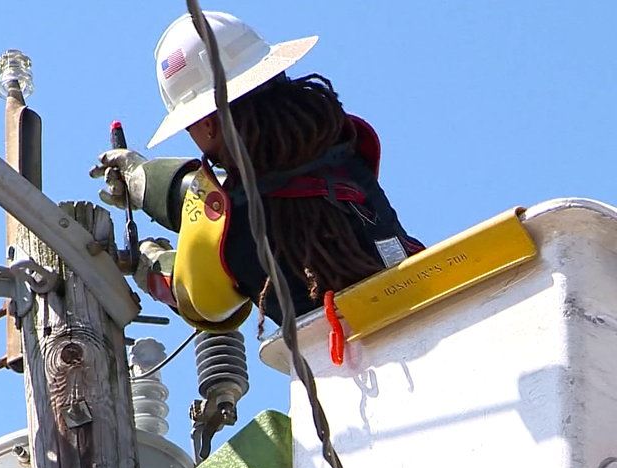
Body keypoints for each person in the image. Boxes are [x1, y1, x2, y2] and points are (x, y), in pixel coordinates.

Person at [92, 11, 425, 337]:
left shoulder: (234, 225)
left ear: (207, 124)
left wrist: (151, 263)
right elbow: (253, 191)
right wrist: (142, 177)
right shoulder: (340, 143)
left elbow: (203, 298)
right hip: (427, 305)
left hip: (350, 366)